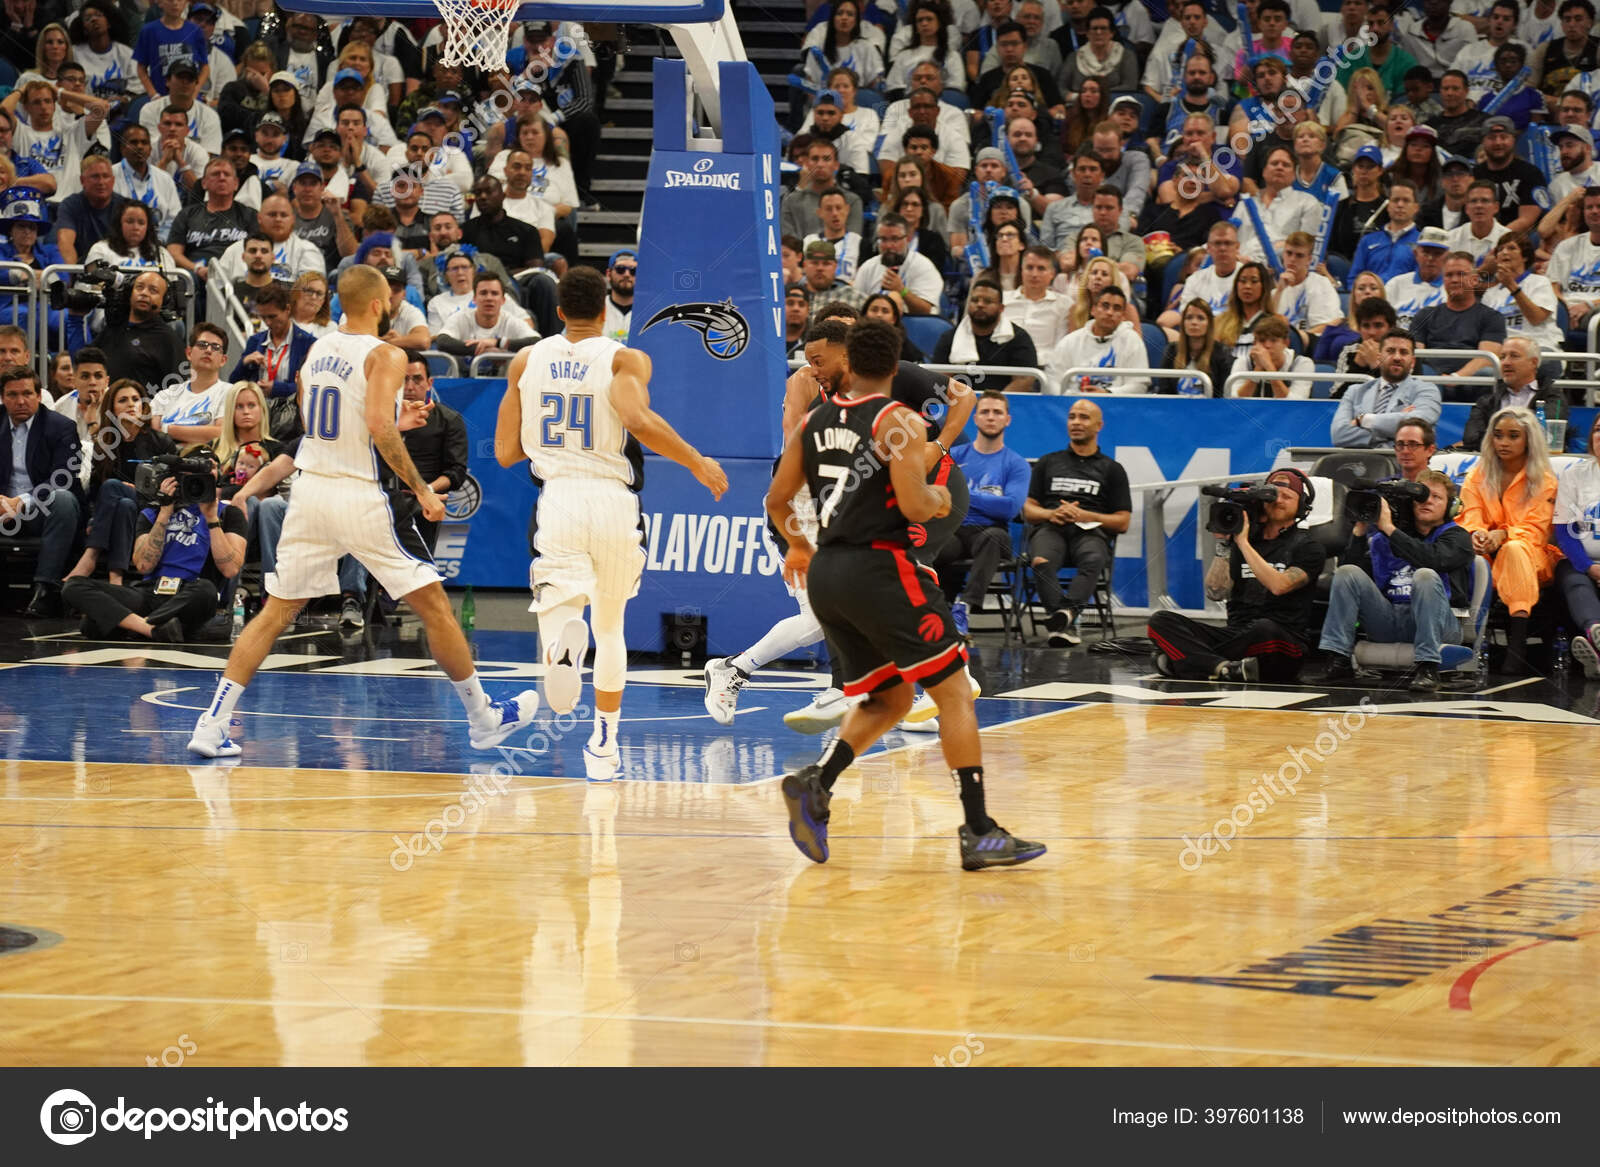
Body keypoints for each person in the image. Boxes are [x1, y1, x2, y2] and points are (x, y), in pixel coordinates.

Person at [189, 265, 541, 759]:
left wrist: (391, 420)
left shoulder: (317, 351)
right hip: (361, 495)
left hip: (311, 492)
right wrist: (421, 488)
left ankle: (212, 724)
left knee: (275, 612)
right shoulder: (387, 354)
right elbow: (376, 425)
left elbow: (322, 425)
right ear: (379, 305)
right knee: (435, 606)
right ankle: (483, 719)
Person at [766, 320, 1044, 868]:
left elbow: (777, 498)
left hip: (828, 575)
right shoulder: (901, 421)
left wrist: (798, 547)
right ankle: (980, 832)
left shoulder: (812, 421)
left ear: (848, 366)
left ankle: (816, 785)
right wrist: (942, 496)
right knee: (956, 694)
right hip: (881, 569)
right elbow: (916, 506)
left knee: (889, 699)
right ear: (896, 367)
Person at [496, 266, 727, 781]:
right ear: (607, 311)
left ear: (556, 312)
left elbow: (506, 452)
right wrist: (696, 462)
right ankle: (603, 744)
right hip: (614, 500)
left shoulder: (525, 360)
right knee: (611, 625)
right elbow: (639, 421)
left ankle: (560, 648)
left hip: (558, 496)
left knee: (558, 605)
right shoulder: (625, 357)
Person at [1148, 468, 1325, 681]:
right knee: (1160, 621)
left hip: (1282, 641)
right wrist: (1225, 544)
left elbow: (1280, 586)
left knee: (1264, 628)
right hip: (1236, 633)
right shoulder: (1239, 544)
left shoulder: (1309, 547)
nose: (1278, 501)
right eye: (1273, 495)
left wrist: (1243, 543)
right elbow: (1215, 592)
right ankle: (1223, 668)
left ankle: (1192, 662)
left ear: (1302, 506)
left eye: (1287, 497)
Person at [1316, 467, 1474, 691]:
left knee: (1425, 575)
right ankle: (1338, 661)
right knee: (1346, 573)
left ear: (1451, 506)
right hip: (1390, 619)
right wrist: (1360, 529)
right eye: (1421, 496)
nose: (1426, 501)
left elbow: (1432, 561)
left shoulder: (1458, 537)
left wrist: (1390, 528)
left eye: (1436, 497)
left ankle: (1428, 668)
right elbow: (1353, 578)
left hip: (1442, 624)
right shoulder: (1384, 540)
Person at [63, 449, 245, 642]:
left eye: (212, 466)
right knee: (74, 585)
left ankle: (132, 626)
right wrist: (165, 512)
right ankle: (152, 629)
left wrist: (211, 518)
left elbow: (230, 569)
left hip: (192, 594)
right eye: (197, 465)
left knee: (206, 590)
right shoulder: (152, 512)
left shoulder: (229, 513)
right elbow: (144, 566)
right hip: (151, 592)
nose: (205, 472)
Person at [1459, 406, 1561, 673]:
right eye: (1498, 435)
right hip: (1489, 556)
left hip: (1533, 559)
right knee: (1466, 553)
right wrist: (1477, 535)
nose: (1503, 442)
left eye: (1513, 436)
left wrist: (1503, 535)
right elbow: (1469, 516)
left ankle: (1517, 643)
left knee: (1514, 549)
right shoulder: (1477, 476)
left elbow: (1536, 530)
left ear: (1529, 440)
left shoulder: (1544, 480)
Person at [1021, 397, 1130, 646]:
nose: (1076, 422)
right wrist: (1051, 514)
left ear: (1099, 425)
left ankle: (1064, 617)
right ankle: (1067, 619)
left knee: (1093, 559)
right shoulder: (1048, 462)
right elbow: (1028, 508)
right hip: (1051, 527)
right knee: (1040, 560)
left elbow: (1123, 521)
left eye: (1083, 417)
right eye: (1072, 417)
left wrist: (1087, 515)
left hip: (1090, 532)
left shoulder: (1112, 469)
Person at [931, 390, 1030, 631]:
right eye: (985, 412)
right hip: (953, 529)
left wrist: (962, 495)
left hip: (989, 532)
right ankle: (934, 608)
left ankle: (964, 606)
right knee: (931, 542)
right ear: (975, 418)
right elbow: (936, 497)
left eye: (997, 412)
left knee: (995, 538)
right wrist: (986, 499)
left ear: (1007, 419)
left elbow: (1009, 508)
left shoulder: (1016, 464)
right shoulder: (953, 456)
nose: (990, 417)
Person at [66, 377, 176, 587]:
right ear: (113, 409)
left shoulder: (161, 442)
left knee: (112, 486)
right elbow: (96, 490)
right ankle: (116, 577)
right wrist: (93, 519)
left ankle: (90, 555)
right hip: (120, 512)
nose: (131, 404)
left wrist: (140, 491)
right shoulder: (104, 443)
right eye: (123, 400)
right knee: (123, 503)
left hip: (152, 509)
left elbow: (171, 487)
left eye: (136, 399)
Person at [0, 365, 82, 616]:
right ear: (3, 398)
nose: (20, 401)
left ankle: (46, 590)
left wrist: (22, 502)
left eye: (27, 393)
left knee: (63, 499)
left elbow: (64, 478)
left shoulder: (61, 427)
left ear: (39, 395)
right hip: (2, 508)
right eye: (12, 395)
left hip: (43, 511)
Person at [399, 354, 466, 554]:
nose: (410, 386)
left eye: (417, 379)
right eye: (403, 379)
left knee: (424, 506)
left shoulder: (448, 419)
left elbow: (456, 473)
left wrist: (426, 491)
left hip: (423, 498)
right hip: (380, 498)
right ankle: (354, 586)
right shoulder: (380, 418)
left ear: (429, 383)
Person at [1331, 330, 1444, 447]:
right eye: (1390, 351)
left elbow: (1420, 423)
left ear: (1413, 362)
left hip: (1402, 462)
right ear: (1379, 357)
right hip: (1357, 462)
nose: (1397, 357)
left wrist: (1364, 420)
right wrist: (1396, 429)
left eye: (1404, 352)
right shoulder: (1354, 391)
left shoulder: (1427, 390)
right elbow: (1339, 434)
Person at [1411, 251, 1509, 385]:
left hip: (1471, 379)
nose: (1455, 280)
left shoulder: (1492, 317)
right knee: (1421, 373)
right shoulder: (1424, 315)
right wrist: (1439, 378)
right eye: (1449, 275)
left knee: (1488, 373)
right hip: (1431, 377)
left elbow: (1487, 358)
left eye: (1461, 274)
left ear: (1475, 280)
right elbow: (1416, 355)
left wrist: (1455, 377)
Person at [932, 278, 1039, 393]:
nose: (980, 305)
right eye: (975, 300)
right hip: (959, 403)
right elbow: (940, 379)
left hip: (1005, 406)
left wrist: (992, 404)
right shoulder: (949, 338)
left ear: (1001, 308)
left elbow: (1024, 381)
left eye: (987, 301)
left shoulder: (1018, 338)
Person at [1554, 413, 1600, 677]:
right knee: (1573, 578)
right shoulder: (1575, 475)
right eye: (1597, 429)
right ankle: (1596, 629)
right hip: (1582, 562)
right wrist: (1589, 567)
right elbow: (1564, 531)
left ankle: (1595, 654)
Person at [167, 158, 258, 289]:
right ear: (204, 183)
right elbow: (174, 253)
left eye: (227, 174)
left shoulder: (250, 215)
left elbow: (257, 250)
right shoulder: (187, 214)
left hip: (236, 274)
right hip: (196, 277)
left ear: (236, 183)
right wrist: (197, 269)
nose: (222, 178)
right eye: (215, 174)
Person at [1461, 336, 1566, 449]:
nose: (1506, 362)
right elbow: (1471, 439)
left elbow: (1546, 436)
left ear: (1533, 362)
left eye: (1514, 356)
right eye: (1502, 357)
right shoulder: (1488, 400)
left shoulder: (1553, 397)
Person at [228, 284, 316, 417]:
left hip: (292, 417)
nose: (268, 322)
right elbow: (233, 383)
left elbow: (311, 387)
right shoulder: (255, 341)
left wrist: (276, 389)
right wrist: (244, 362)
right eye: (263, 317)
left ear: (287, 309)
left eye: (272, 316)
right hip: (258, 416)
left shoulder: (308, 343)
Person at [94, 271, 184, 396]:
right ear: (130, 293)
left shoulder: (167, 339)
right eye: (139, 287)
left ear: (164, 300)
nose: (144, 293)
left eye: (153, 290)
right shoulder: (113, 328)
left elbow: (177, 389)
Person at [1048, 285, 1148, 394]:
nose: (1110, 312)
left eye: (1117, 308)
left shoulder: (1132, 340)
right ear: (1093, 310)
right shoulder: (1070, 341)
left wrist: (1108, 394)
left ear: (1123, 316)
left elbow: (1139, 385)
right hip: (1073, 405)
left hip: (1115, 404)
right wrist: (1071, 398)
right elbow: (1052, 380)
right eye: (1105, 306)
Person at [1481, 233, 1565, 355]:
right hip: (1501, 351)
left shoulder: (1540, 282)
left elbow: (1536, 318)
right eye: (1500, 250)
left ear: (1525, 257)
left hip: (1538, 348)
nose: (1504, 252)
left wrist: (1512, 286)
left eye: (1511, 248)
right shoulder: (1490, 294)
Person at [151, 322, 231, 447]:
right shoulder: (167, 395)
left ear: (223, 360)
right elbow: (154, 436)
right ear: (189, 353)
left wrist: (167, 429)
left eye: (215, 347)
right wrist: (197, 436)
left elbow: (222, 434)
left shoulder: (229, 392)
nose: (208, 350)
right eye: (202, 345)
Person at [432, 271, 538, 360]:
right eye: (483, 293)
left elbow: (536, 342)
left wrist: (498, 343)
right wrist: (485, 351)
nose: (489, 298)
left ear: (503, 300)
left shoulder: (511, 321)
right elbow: (442, 342)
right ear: (474, 299)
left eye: (494, 293)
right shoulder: (461, 318)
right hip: (464, 380)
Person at [1157, 220, 1242, 331]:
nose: (1222, 248)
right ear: (1209, 249)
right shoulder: (1194, 279)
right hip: (1201, 334)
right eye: (1217, 243)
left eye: (1228, 243)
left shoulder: (1248, 276)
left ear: (1237, 247)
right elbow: (1187, 314)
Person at [852, 212, 942, 315]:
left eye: (895, 239)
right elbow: (856, 308)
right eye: (883, 239)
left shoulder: (923, 266)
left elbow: (925, 311)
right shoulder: (868, 267)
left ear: (907, 239)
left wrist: (902, 290)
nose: (889, 246)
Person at [1473, 117, 1546, 235]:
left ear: (1513, 140)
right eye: (1491, 138)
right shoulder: (1474, 175)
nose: (1498, 142)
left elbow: (1527, 219)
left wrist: (1497, 238)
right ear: (1483, 142)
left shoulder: (1530, 173)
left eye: (1503, 137)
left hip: (1516, 239)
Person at [1547, 185, 1600, 334]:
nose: (1594, 211)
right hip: (1566, 308)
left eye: (1599, 206)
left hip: (1596, 310)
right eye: (1589, 207)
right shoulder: (1567, 246)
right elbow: (1552, 286)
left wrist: (1589, 305)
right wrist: (1564, 309)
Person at [1228, 314, 1315, 398]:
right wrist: (1257, 371)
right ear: (1255, 343)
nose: (1267, 345)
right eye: (1262, 340)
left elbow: (1295, 403)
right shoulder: (1244, 362)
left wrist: (1269, 367)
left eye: (1273, 341)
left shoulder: (1302, 363)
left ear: (1286, 343)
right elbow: (1235, 401)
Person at [1161, 298, 1231, 397]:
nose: (1194, 322)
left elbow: (1222, 394)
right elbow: (1164, 392)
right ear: (1183, 322)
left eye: (1200, 318)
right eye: (1189, 318)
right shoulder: (1171, 350)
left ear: (1209, 324)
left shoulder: (1221, 352)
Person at [1386, 225, 1450, 330]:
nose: (1430, 258)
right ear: (1416, 254)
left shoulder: (1452, 288)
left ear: (1447, 257)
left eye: (1437, 254)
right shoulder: (1395, 284)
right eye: (1426, 252)